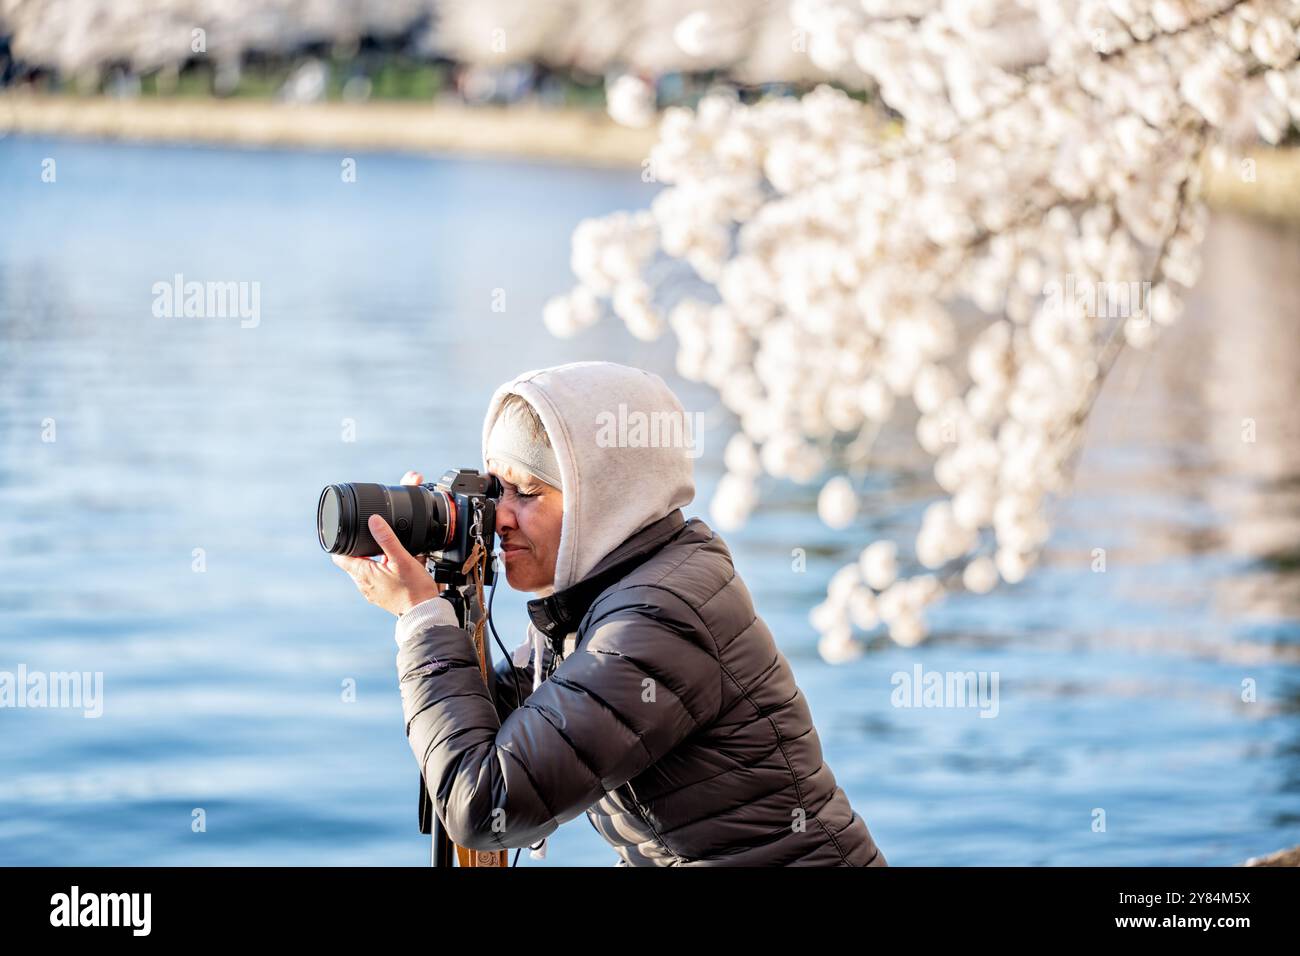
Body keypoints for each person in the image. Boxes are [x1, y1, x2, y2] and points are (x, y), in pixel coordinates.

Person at [331, 360, 888, 866]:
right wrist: (451, 595)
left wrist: (421, 621)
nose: (499, 517)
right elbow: (498, 730)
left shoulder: (657, 618)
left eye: (525, 492)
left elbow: (483, 802)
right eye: (495, 488)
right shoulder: (607, 594)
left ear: (603, 498)